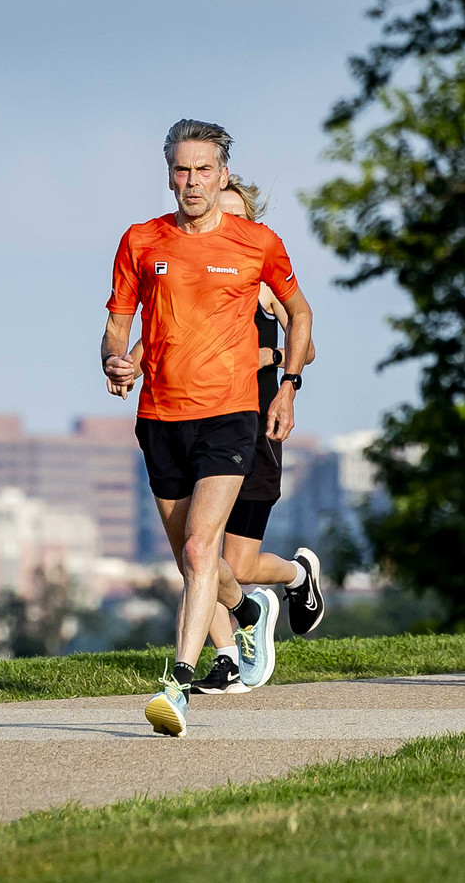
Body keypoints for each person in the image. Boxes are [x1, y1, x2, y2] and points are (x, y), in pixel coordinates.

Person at [101, 119, 313, 736]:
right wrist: (114, 362)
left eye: (203, 170)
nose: (191, 181)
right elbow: (119, 323)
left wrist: (290, 384)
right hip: (160, 419)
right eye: (181, 170)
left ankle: (180, 684)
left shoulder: (258, 242)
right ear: (169, 176)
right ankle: (249, 612)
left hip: (229, 415)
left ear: (223, 174)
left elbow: (299, 311)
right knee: (191, 560)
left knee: (201, 549)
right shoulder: (141, 240)